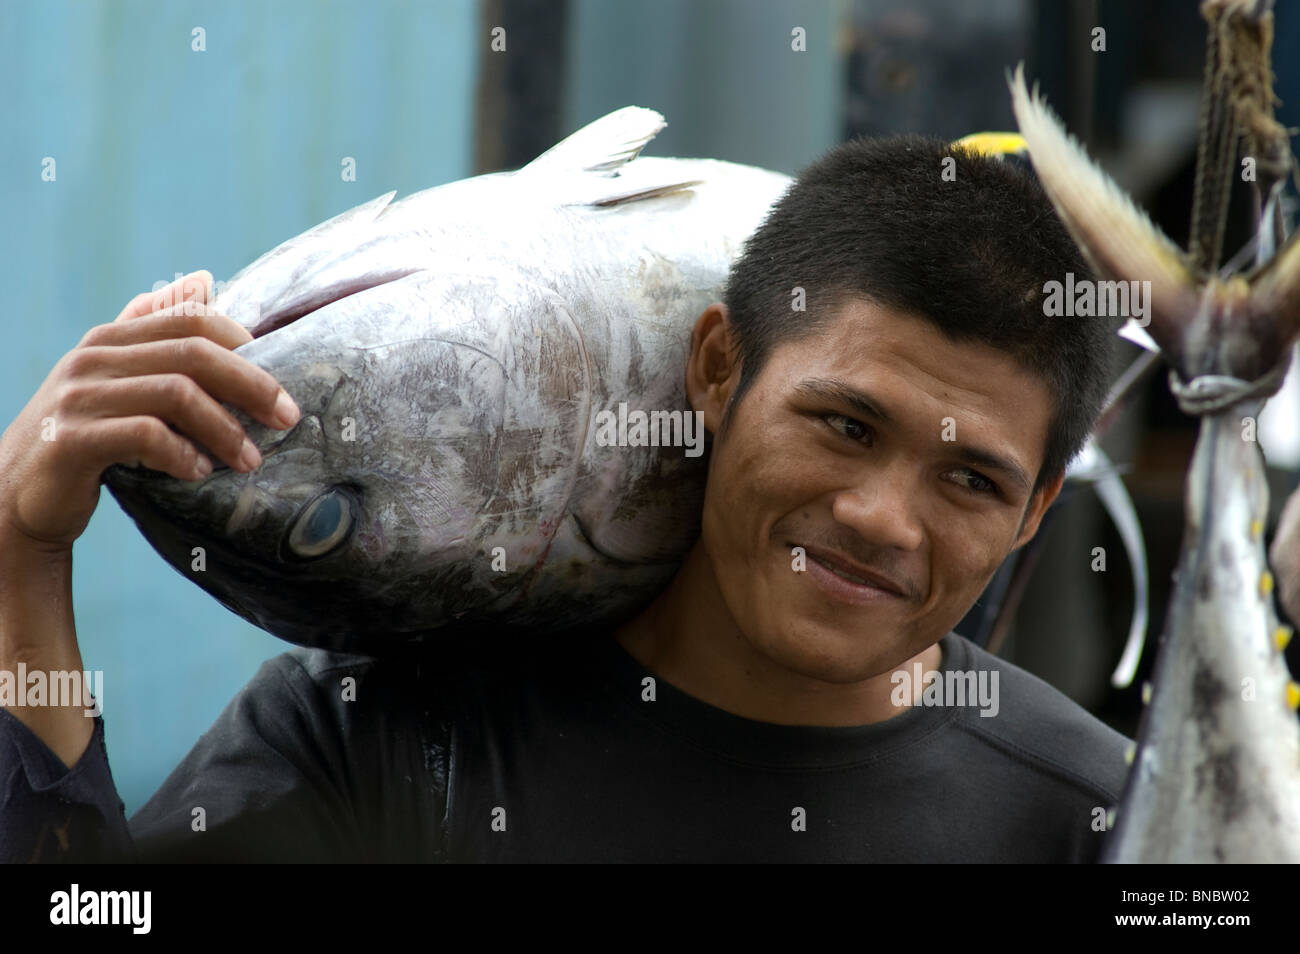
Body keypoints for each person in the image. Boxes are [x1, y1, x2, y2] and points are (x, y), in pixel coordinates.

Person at [0, 134, 1130, 863]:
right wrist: (21, 552)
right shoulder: (381, 740)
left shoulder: (1098, 820)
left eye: (971, 479)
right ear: (718, 370)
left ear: (1032, 513)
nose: (882, 516)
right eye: (843, 425)